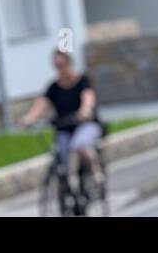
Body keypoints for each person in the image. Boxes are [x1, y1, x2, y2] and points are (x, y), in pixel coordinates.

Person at [19, 50, 104, 186]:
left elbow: (88, 97)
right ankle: (70, 184)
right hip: (64, 128)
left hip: (85, 124)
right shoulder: (54, 87)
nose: (60, 69)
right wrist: (30, 118)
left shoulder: (82, 81)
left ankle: (95, 172)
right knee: (62, 153)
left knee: (79, 145)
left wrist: (85, 110)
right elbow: (41, 105)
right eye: (57, 66)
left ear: (69, 63)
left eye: (62, 64)